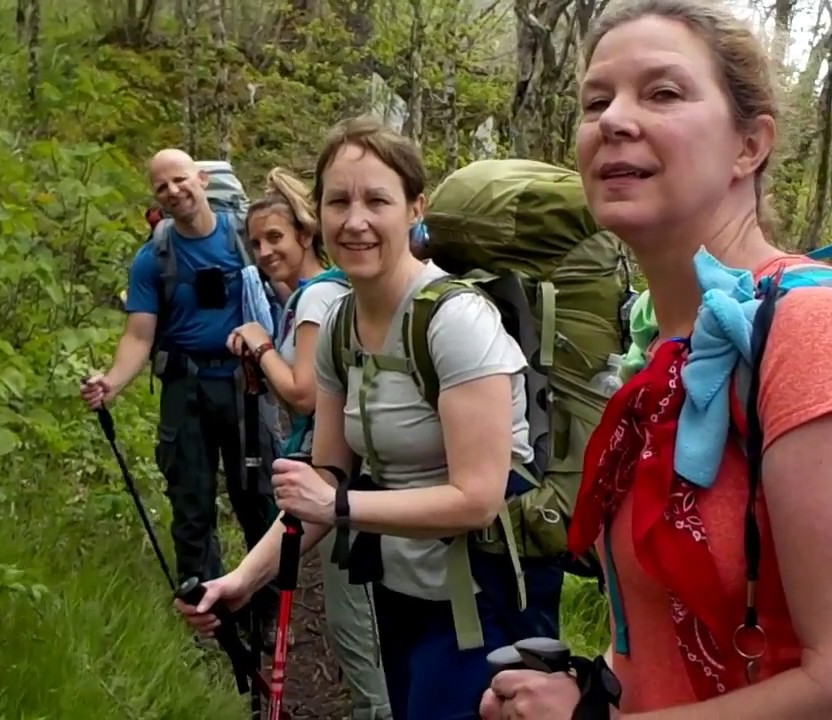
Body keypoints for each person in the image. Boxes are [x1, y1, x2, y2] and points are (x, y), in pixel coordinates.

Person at [481, 0, 832, 718]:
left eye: (662, 92)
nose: (614, 120)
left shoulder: (812, 336)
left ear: (749, 145)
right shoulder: (662, 346)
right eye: (596, 100)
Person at [175, 116, 564, 720]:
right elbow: (326, 480)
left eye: (376, 200)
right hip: (401, 592)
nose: (355, 220)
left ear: (415, 208)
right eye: (338, 201)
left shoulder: (457, 321)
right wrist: (241, 581)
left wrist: (341, 506)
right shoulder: (337, 327)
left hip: (483, 602)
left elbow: (477, 498)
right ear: (320, 215)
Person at [222, 167, 393, 720]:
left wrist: (262, 343)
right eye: (255, 242)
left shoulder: (319, 297)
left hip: (329, 473)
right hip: (331, 473)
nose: (265, 251)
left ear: (305, 234)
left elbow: (302, 393)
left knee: (360, 637)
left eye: (276, 237)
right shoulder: (321, 294)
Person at [81, 149, 277, 623]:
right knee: (191, 504)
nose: (173, 191)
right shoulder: (154, 258)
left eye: (179, 180)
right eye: (161, 187)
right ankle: (206, 614)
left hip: (246, 382)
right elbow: (139, 334)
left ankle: (268, 614)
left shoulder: (244, 242)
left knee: (259, 498)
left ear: (202, 179)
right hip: (184, 389)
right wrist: (112, 382)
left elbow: (286, 295)